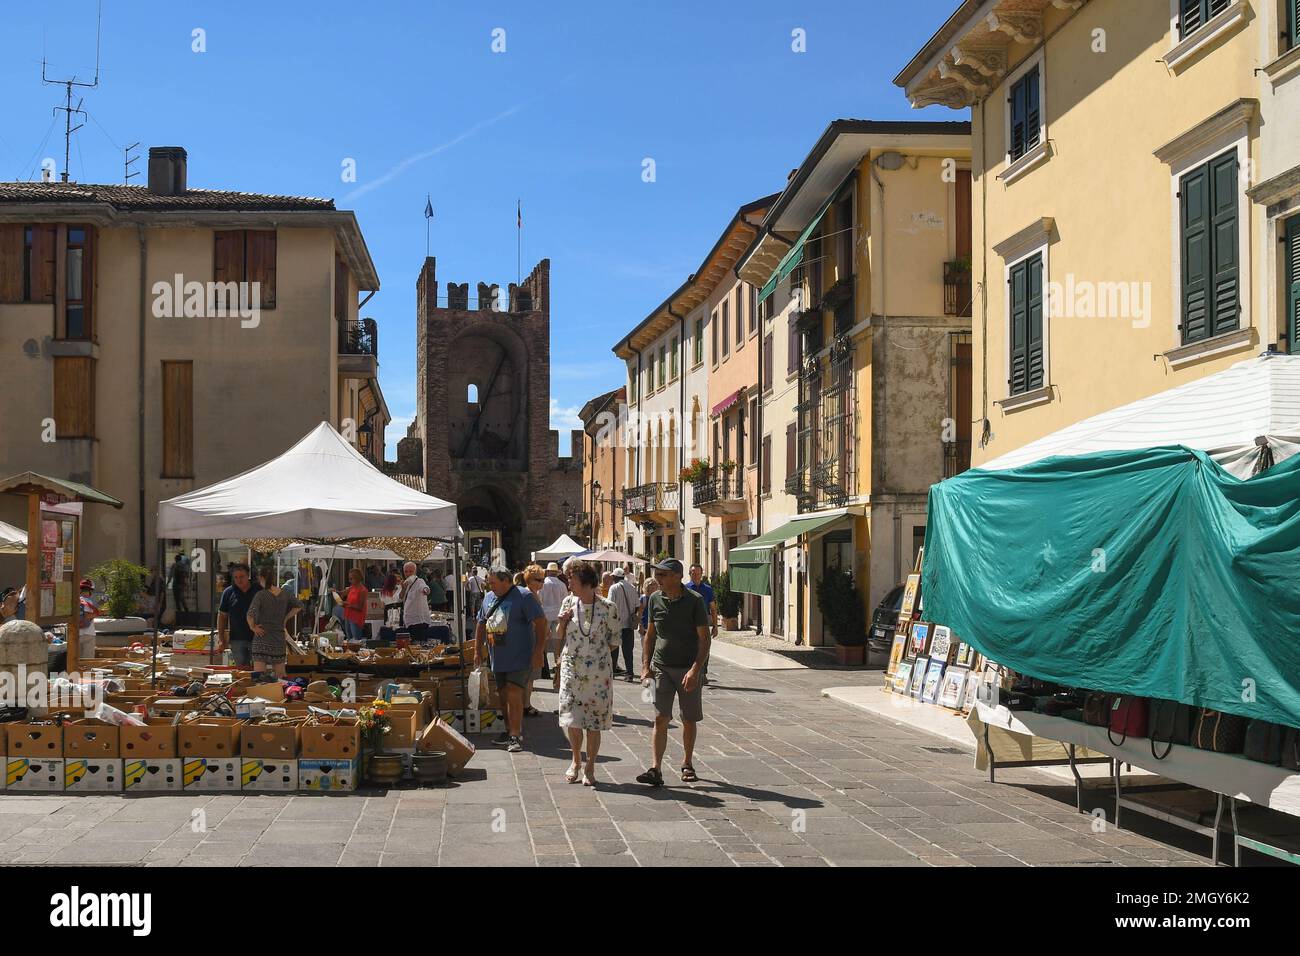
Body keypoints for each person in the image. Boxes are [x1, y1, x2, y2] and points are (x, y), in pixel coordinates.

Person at [637, 558, 710, 787]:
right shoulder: (654, 599)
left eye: (663, 575)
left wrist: (696, 670)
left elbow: (704, 639)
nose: (658, 579)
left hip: (688, 669)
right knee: (661, 717)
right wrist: (645, 666)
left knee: (688, 718)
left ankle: (687, 763)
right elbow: (650, 635)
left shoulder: (695, 601)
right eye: (657, 575)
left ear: (677, 577)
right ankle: (655, 768)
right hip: (661, 668)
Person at [555, 560, 621, 787]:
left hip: (598, 673)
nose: (568, 582)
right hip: (571, 670)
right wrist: (562, 623)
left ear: (584, 581)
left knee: (594, 721)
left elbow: (614, 641)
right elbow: (559, 634)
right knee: (572, 719)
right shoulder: (567, 602)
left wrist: (594, 654)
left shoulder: (608, 607)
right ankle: (575, 760)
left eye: (571, 578)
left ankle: (590, 765)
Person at [473, 568, 547, 753]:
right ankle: (508, 731)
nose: (490, 586)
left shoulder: (524, 596)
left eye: (493, 583)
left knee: (514, 692)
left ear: (506, 581)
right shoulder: (489, 597)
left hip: (520, 655)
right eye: (489, 583)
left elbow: (541, 622)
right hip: (497, 656)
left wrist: (538, 651)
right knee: (503, 694)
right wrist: (477, 651)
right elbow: (481, 623)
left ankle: (515, 735)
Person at [247, 567, 302, 681]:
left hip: (262, 637)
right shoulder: (285, 594)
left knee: (259, 677)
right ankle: (279, 696)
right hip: (278, 637)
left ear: (261, 578)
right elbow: (299, 605)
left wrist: (253, 627)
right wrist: (286, 618)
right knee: (280, 676)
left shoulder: (261, 595)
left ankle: (261, 696)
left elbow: (250, 613)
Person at [217, 563, 262, 667]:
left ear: (248, 576)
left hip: (258, 638)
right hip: (237, 639)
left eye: (242, 576)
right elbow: (222, 616)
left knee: (258, 671)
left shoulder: (259, 590)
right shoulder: (228, 592)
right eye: (236, 577)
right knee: (241, 670)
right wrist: (221, 638)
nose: (239, 580)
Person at [521, 564, 548, 716]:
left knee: (530, 675)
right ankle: (526, 705)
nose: (542, 583)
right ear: (529, 580)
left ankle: (526, 704)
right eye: (538, 580)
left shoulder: (533, 593)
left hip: (533, 637)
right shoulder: (529, 595)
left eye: (543, 580)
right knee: (529, 675)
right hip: (530, 639)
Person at [686, 563, 718, 686]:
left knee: (705, 648)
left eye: (698, 573)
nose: (696, 576)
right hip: (690, 624)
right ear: (690, 574)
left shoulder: (707, 589)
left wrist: (715, 626)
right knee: (692, 649)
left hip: (704, 623)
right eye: (693, 573)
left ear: (701, 574)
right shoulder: (685, 588)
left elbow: (713, 608)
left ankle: (703, 672)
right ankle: (694, 671)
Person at [539, 562, 569, 690]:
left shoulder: (543, 583)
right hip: (558, 613)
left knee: (543, 641)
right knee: (558, 641)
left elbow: (540, 598)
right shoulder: (562, 585)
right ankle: (557, 663)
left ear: (547, 572)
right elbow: (566, 599)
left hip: (545, 614)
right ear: (556, 572)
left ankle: (543, 665)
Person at [607, 567, 640, 681]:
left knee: (614, 648)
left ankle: (612, 672)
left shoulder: (613, 588)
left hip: (616, 624)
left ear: (615, 577)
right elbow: (637, 605)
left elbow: (610, 605)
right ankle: (629, 673)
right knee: (628, 651)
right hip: (628, 624)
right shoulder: (632, 587)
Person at [332, 568, 369, 642]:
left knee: (355, 640)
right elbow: (342, 593)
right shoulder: (351, 588)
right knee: (349, 639)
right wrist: (335, 592)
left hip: (356, 619)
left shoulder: (363, 590)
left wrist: (348, 604)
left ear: (357, 578)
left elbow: (360, 607)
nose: (350, 581)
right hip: (348, 616)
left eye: (351, 579)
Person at [401, 561, 433, 643]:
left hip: (419, 621)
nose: (408, 574)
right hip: (409, 620)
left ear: (415, 572)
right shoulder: (405, 583)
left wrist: (426, 590)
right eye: (406, 571)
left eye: (410, 571)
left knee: (418, 644)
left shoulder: (419, 581)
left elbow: (425, 588)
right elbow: (400, 597)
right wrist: (403, 588)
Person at [380, 572, 403, 640]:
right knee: (394, 631)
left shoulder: (400, 588)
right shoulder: (385, 590)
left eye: (399, 580)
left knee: (394, 630)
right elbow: (382, 605)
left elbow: (382, 605)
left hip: (395, 610)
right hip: (392, 610)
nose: (399, 582)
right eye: (397, 580)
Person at [78, 578, 99, 647]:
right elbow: (87, 616)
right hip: (88, 633)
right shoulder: (87, 601)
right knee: (88, 657)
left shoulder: (76, 600)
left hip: (77, 633)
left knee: (77, 656)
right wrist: (97, 614)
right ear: (90, 591)